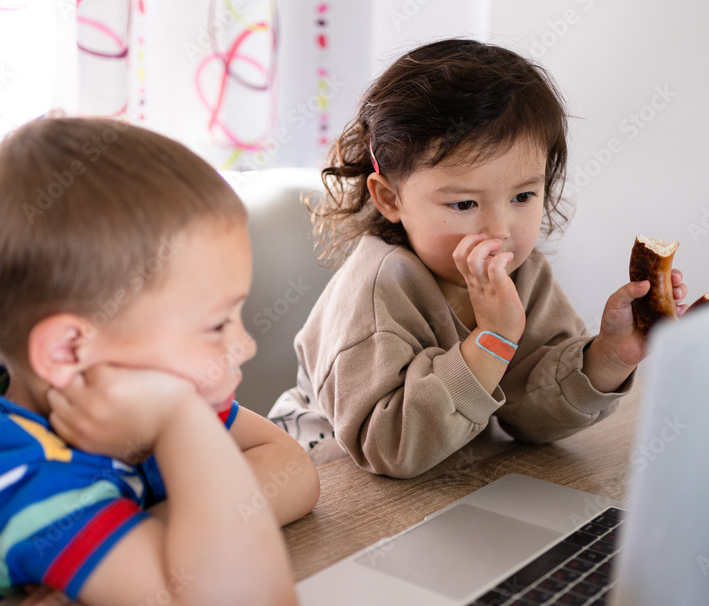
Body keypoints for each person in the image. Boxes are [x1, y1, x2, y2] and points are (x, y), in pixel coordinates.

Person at [0, 116, 320, 606]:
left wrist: (152, 543)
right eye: (216, 324)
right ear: (69, 351)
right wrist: (181, 425)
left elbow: (293, 467)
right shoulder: (19, 485)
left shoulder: (112, 385)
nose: (246, 344)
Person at [268, 39, 687, 477]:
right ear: (390, 199)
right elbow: (391, 448)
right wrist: (494, 338)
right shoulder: (380, 286)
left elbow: (531, 417)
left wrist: (608, 357)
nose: (499, 230)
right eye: (465, 204)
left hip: (446, 480)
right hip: (326, 478)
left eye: (523, 196)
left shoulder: (524, 275)